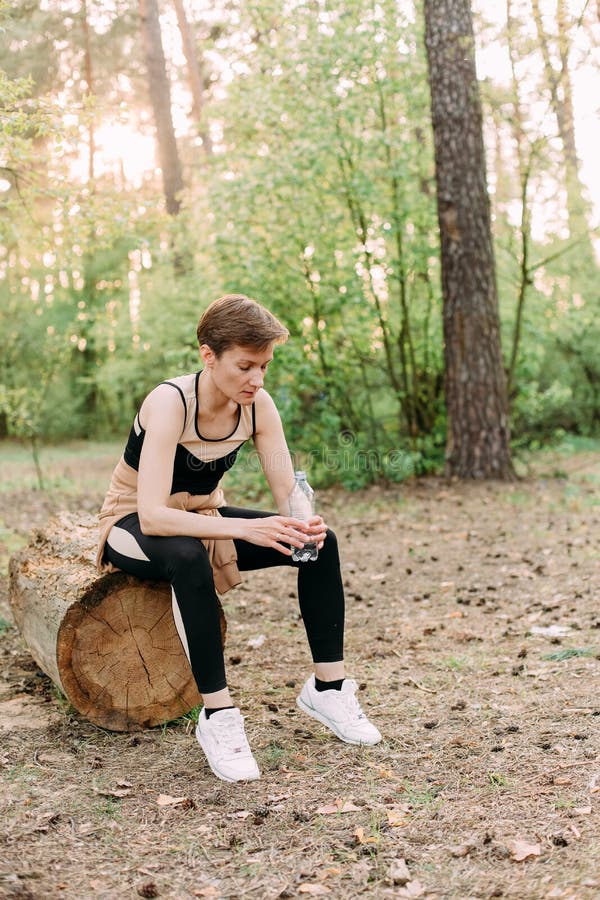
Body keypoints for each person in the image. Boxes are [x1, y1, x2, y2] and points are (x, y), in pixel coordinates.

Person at [97, 294, 381, 783]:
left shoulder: (257, 406)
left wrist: (302, 520)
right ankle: (219, 716)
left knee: (321, 544)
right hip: (132, 524)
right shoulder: (170, 401)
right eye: (246, 365)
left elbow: (286, 486)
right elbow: (154, 515)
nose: (257, 379)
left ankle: (328, 690)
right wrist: (245, 527)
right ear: (209, 356)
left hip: (205, 516)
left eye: (265, 366)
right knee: (186, 557)